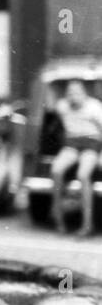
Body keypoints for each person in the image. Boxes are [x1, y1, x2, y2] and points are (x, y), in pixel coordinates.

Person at [50, 79, 102, 235]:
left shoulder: (94, 107)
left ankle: (87, 224)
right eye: (70, 93)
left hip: (91, 144)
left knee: (83, 175)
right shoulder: (62, 106)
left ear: (84, 93)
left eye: (77, 93)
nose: (73, 96)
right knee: (56, 170)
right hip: (72, 144)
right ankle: (58, 216)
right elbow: (50, 103)